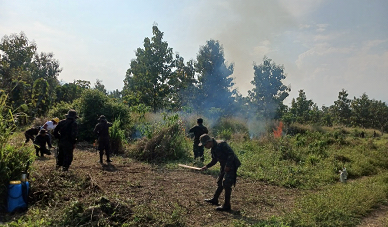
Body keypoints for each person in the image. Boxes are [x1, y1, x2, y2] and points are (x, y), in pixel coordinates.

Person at [199, 134, 241, 211]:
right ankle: (215, 199)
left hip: (232, 164)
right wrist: (207, 166)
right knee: (220, 182)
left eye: (205, 144)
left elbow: (231, 154)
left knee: (226, 183)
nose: (205, 146)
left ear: (209, 142)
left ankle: (227, 206)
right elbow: (214, 160)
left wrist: (228, 166)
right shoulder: (213, 149)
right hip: (224, 166)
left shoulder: (221, 144)